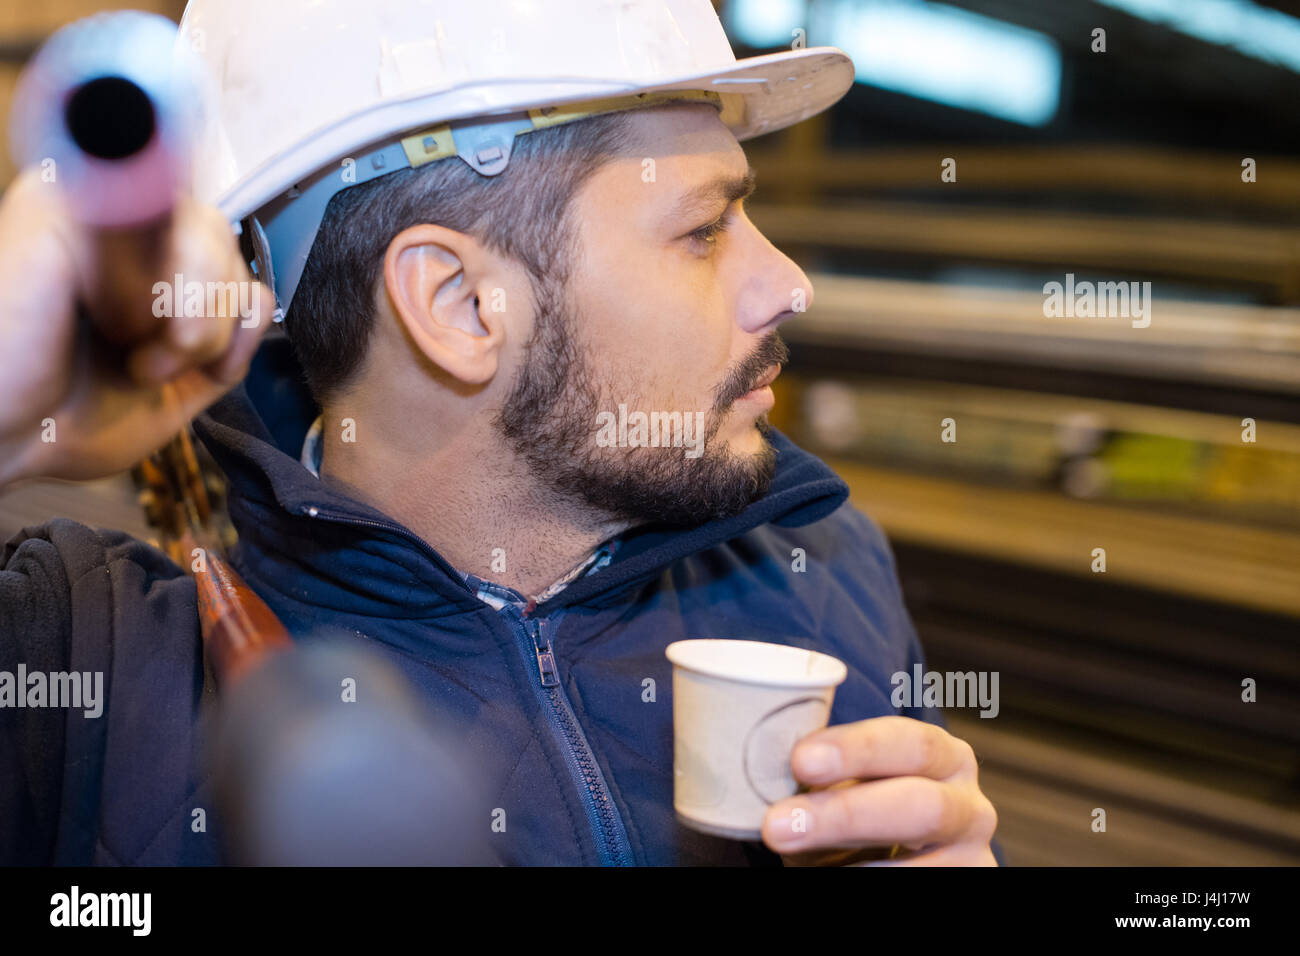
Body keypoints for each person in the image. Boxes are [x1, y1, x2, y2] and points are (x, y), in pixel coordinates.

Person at [0, 0, 1002, 866]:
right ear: (461, 305)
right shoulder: (86, 674)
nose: (788, 283)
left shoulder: (820, 572)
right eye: (703, 230)